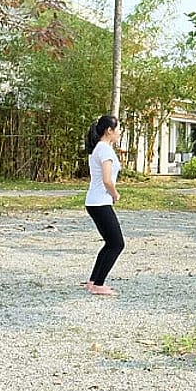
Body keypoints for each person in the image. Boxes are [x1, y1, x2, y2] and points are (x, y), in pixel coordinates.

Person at [84, 114, 124, 297]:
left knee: (110, 243)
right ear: (109, 130)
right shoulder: (105, 150)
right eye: (118, 129)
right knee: (117, 244)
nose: (120, 132)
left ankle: (93, 282)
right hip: (100, 202)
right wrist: (115, 194)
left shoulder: (99, 148)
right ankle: (98, 284)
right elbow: (107, 180)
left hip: (95, 201)